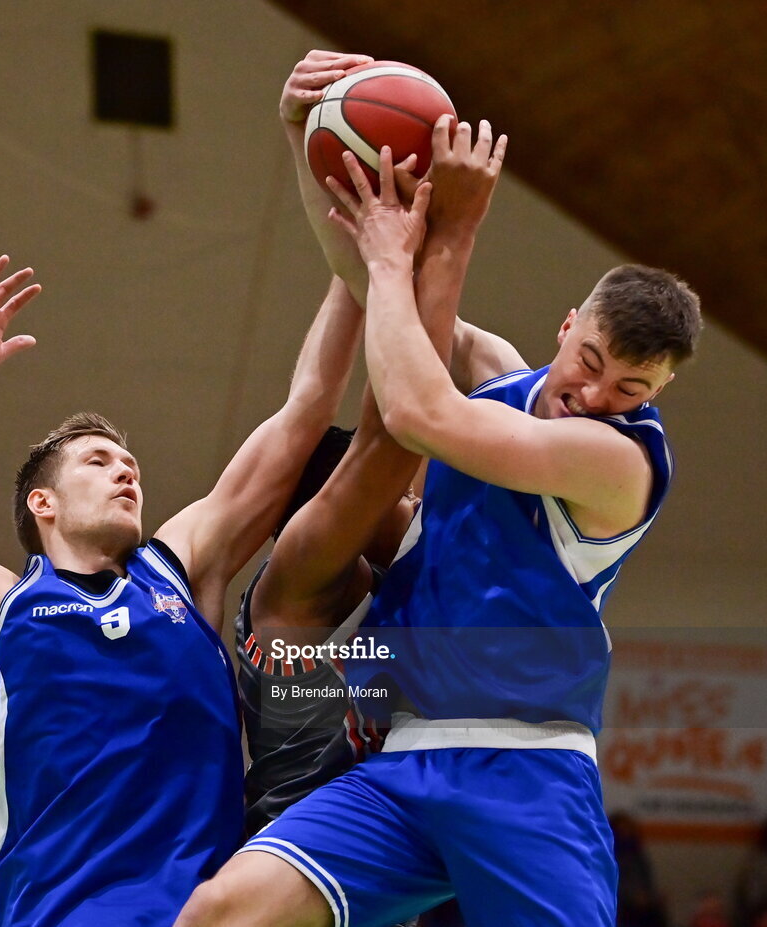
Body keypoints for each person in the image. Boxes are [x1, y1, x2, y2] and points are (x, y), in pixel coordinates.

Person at [175, 52, 702, 927]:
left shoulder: (620, 462)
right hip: (403, 762)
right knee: (215, 915)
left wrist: (446, 234)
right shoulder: (498, 373)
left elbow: (415, 416)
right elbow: (366, 280)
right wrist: (306, 138)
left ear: (655, 398)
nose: (596, 397)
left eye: (630, 392)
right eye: (590, 364)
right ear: (567, 328)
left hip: (524, 771)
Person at [0, 256, 365, 926]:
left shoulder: (182, 572)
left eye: (131, 464)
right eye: (98, 461)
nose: (125, 472)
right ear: (41, 501)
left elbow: (306, 410)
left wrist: (356, 257)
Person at [235, 51, 507, 841]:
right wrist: (449, 234)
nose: (420, 497)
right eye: (408, 492)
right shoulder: (294, 574)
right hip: (292, 862)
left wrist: (311, 150)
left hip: (379, 873)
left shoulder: (398, 579)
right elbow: (396, 432)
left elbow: (375, 318)